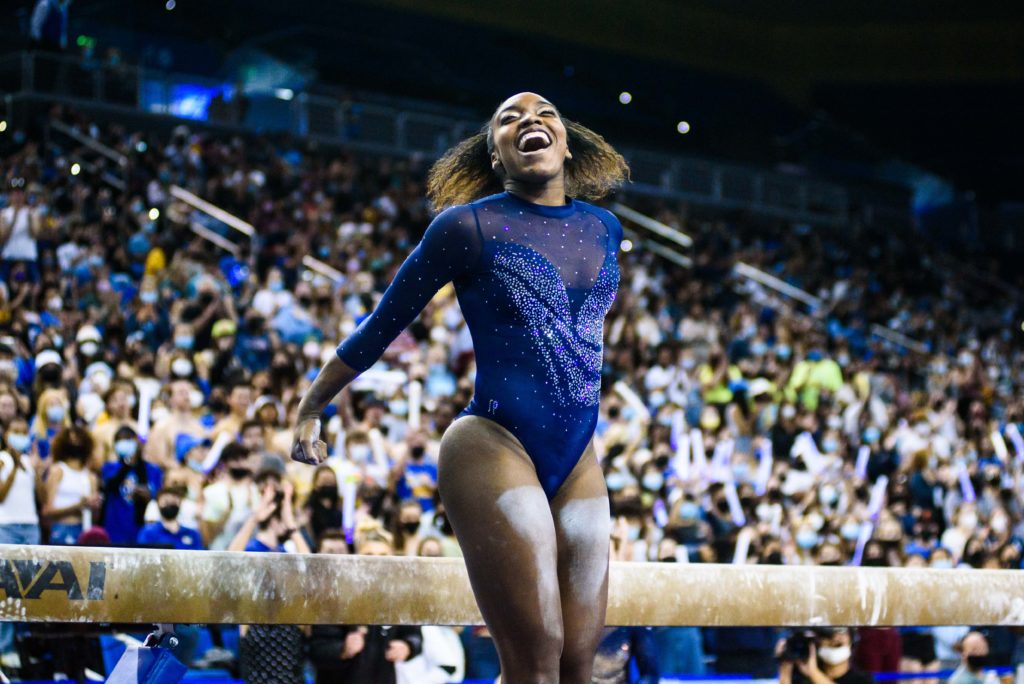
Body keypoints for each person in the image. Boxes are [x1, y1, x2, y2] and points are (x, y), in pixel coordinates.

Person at [293, 91, 629, 683]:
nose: (530, 120)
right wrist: (311, 405)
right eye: (509, 118)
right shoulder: (468, 225)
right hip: (493, 444)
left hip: (579, 455)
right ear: (495, 156)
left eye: (545, 113)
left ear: (567, 143)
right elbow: (383, 324)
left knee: (578, 665)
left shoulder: (604, 227)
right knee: (537, 658)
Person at [42, 426, 100, 545]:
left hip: (84, 530)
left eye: (78, 439)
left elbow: (95, 518)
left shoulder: (91, 477)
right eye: (72, 440)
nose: (75, 443)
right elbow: (47, 511)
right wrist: (78, 506)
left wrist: (95, 507)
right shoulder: (58, 471)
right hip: (62, 528)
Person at [778, 627, 874, 684]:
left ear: (852, 641)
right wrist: (785, 667)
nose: (834, 638)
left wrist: (814, 673)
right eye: (826, 636)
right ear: (817, 643)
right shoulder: (802, 678)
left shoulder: (864, 680)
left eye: (838, 644)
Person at [136, 486, 204, 550]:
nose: (170, 505)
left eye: (173, 502)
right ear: (158, 504)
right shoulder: (148, 532)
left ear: (180, 503)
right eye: (166, 502)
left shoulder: (192, 534)